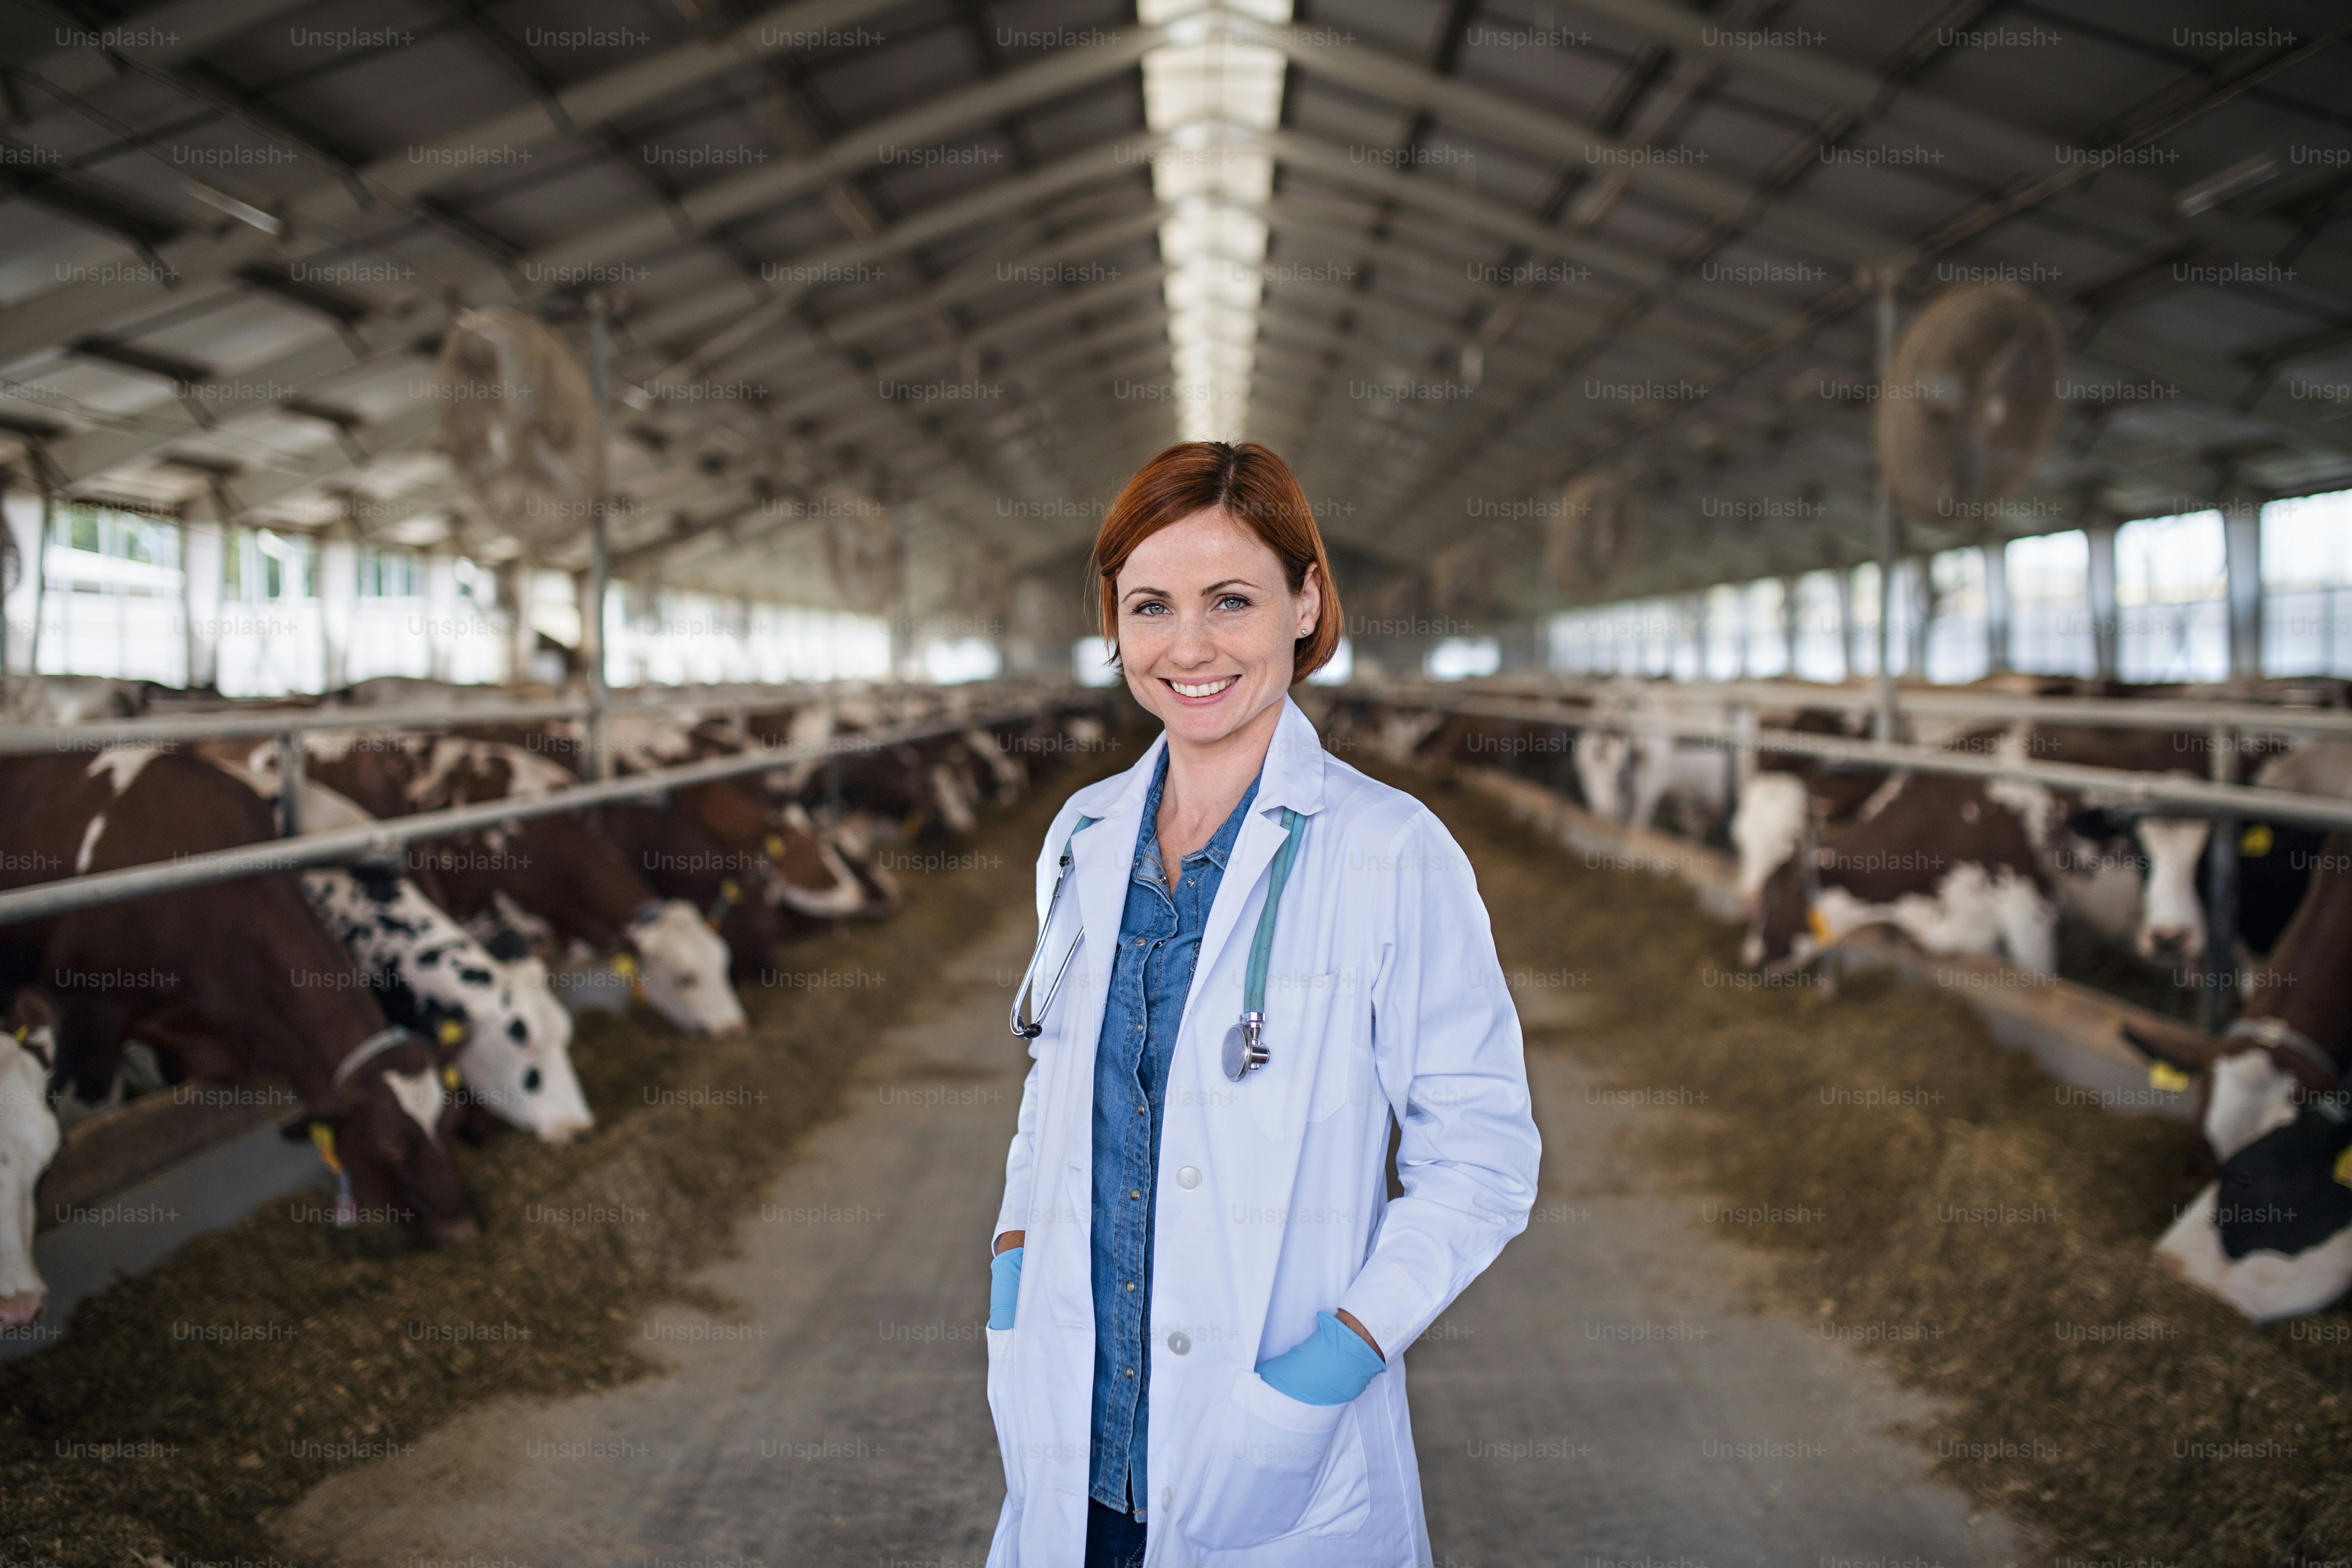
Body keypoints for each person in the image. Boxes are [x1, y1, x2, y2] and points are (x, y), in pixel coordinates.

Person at [984, 441, 1540, 1567]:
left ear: (1306, 602)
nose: (1189, 648)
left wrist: (1331, 1364)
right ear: (1115, 626)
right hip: (1070, 1435)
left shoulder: (1391, 852)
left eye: (1230, 600)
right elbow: (1055, 1089)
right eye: (1151, 606)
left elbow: (1483, 1157)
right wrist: (1011, 1272)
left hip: (1274, 1448)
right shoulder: (1084, 835)